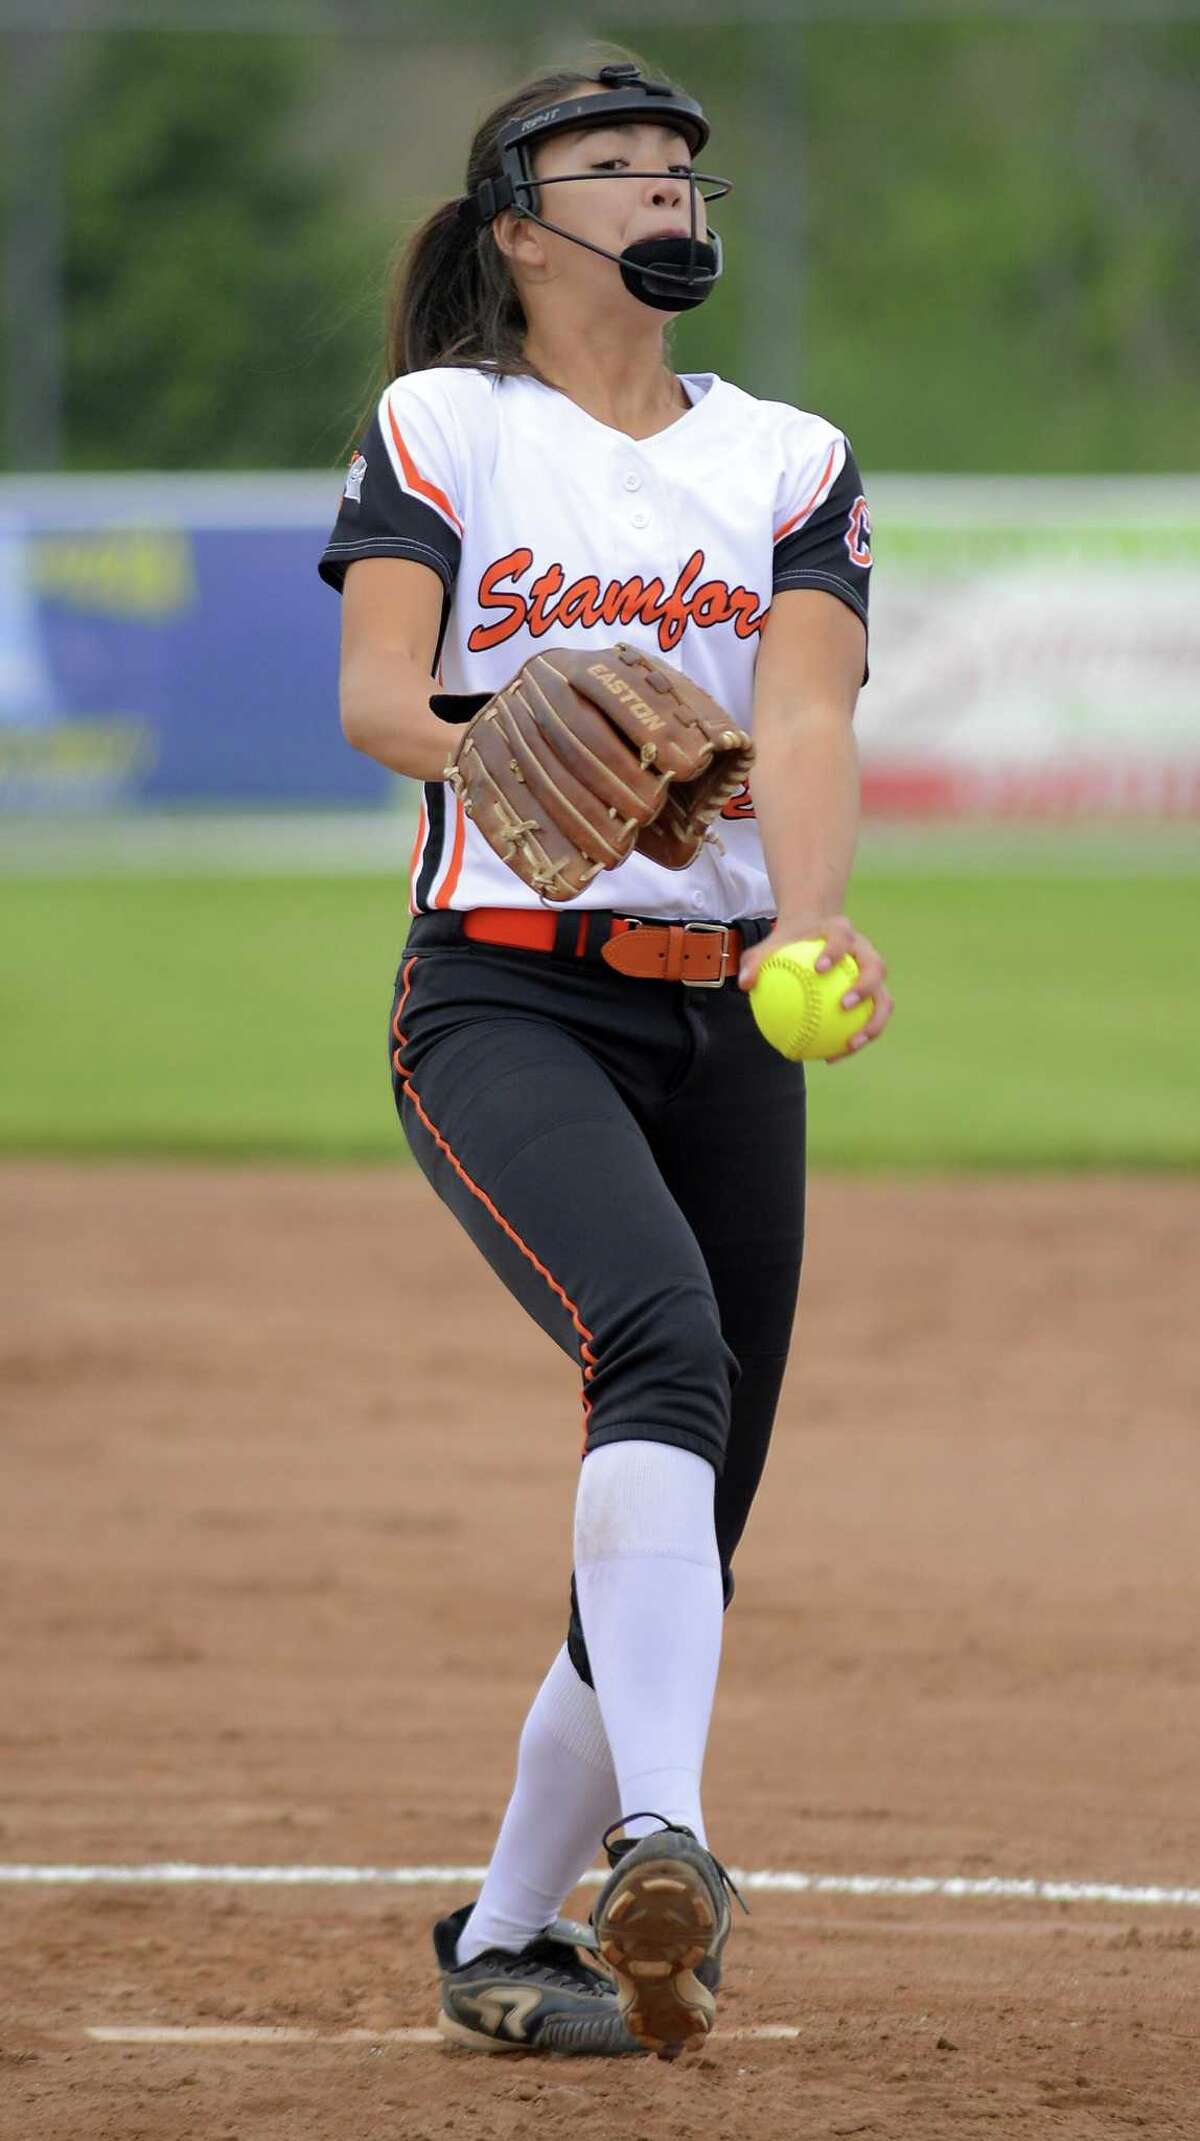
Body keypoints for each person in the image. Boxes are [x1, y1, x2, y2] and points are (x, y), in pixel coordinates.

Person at [319, 51, 893, 2061]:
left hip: (727, 1007)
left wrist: (809, 918)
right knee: (655, 1341)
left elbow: (804, 721)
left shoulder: (791, 457)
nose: (666, 193)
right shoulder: (447, 424)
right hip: (502, 988)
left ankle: (506, 1932)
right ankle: (673, 1836)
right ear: (519, 230)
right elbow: (379, 693)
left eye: (680, 168)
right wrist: (508, 729)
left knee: (694, 1487)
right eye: (614, 168)